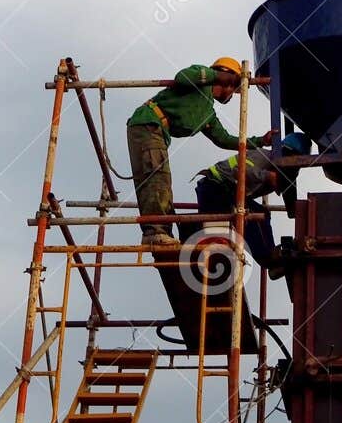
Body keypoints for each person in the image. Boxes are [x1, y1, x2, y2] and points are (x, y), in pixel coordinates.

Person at [125, 59, 275, 247]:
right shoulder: (200, 80)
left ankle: (162, 231)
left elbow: (224, 139)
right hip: (148, 123)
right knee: (156, 178)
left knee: (162, 181)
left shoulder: (208, 113)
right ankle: (155, 232)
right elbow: (182, 77)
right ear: (227, 79)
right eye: (234, 87)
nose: (233, 94)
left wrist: (260, 141)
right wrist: (219, 76)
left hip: (157, 131)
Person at [184, 132, 311, 267]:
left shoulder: (278, 171)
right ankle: (268, 256)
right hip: (215, 187)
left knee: (251, 215)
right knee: (257, 214)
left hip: (220, 192)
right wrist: (266, 176)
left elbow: (289, 201)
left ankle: (269, 257)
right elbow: (239, 171)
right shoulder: (263, 157)